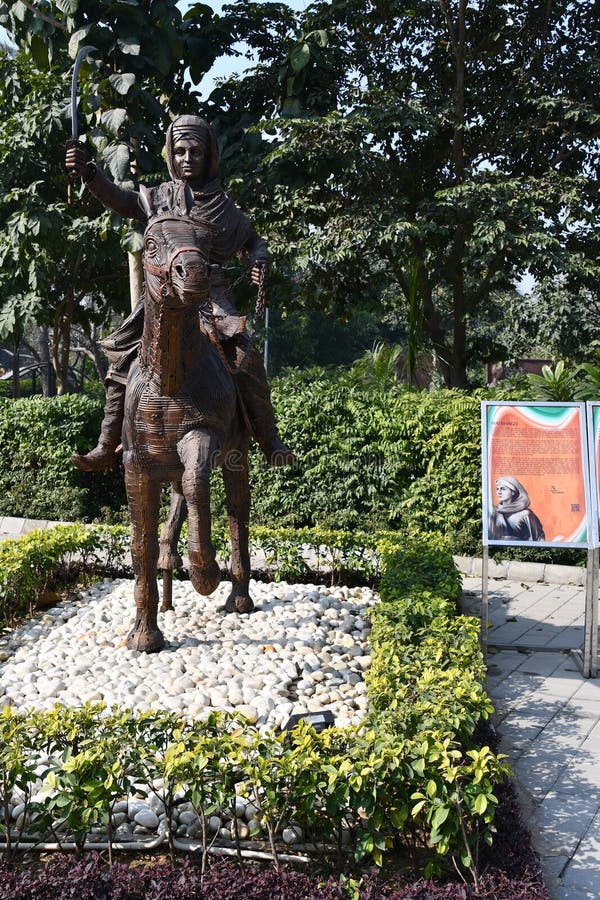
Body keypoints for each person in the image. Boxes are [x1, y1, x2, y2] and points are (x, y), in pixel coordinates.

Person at [65, 114, 294, 470]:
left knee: (246, 358)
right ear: (171, 155)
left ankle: (269, 439)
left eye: (196, 152)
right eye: (181, 151)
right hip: (164, 298)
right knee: (121, 358)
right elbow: (123, 200)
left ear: (209, 156)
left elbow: (253, 241)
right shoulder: (159, 197)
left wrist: (259, 259)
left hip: (211, 299)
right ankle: (107, 441)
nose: (188, 159)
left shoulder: (223, 207)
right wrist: (90, 174)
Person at [489, 476, 545, 541]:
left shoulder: (526, 514)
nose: (499, 492)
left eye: (503, 489)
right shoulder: (495, 513)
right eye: (497, 489)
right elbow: (491, 535)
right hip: (500, 550)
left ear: (513, 492)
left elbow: (539, 538)